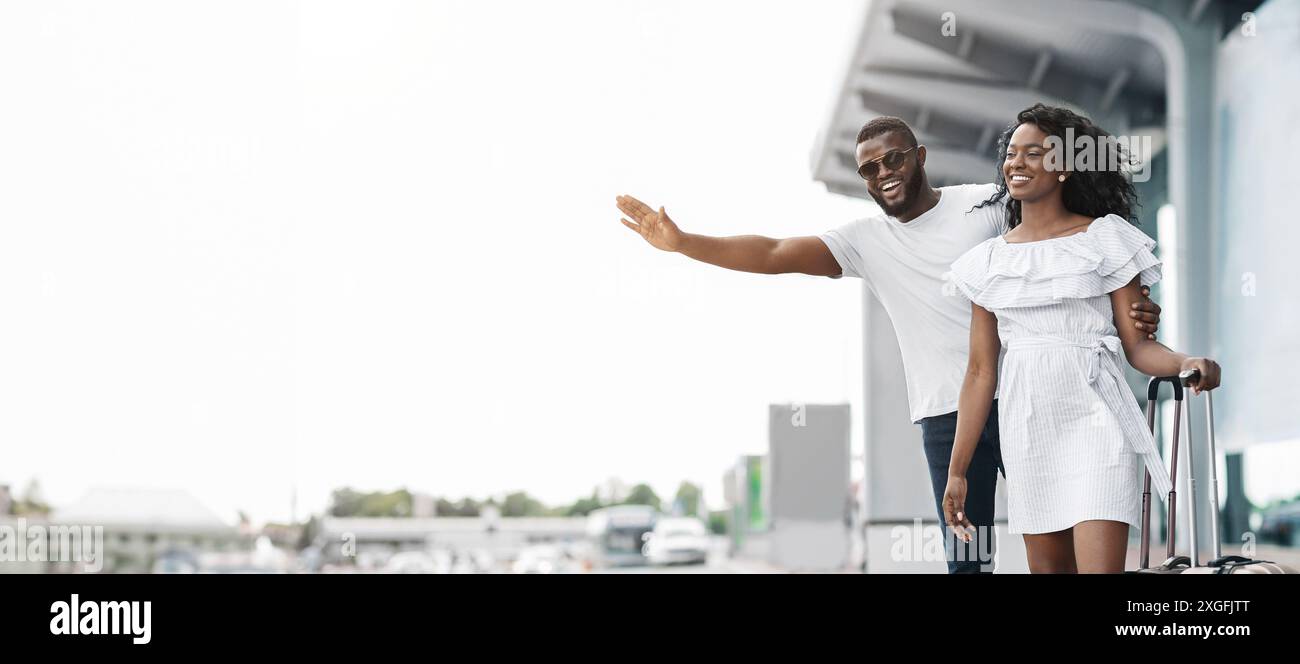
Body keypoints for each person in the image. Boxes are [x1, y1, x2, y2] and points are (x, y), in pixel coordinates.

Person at [616, 115, 1164, 573]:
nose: (884, 174)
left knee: (1060, 554)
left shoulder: (988, 207)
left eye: (894, 159)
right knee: (966, 563)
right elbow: (775, 251)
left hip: (1030, 400)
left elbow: (1066, 243)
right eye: (870, 169)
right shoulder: (864, 242)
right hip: (946, 420)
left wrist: (1128, 307)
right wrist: (685, 244)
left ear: (919, 155)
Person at [942, 103, 1221, 573]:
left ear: (1066, 165)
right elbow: (980, 371)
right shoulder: (986, 263)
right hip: (1027, 427)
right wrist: (957, 470)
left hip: (1097, 423)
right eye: (1012, 154)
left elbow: (1139, 347)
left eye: (1034, 153)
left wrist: (1186, 362)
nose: (1017, 163)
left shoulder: (1106, 239)